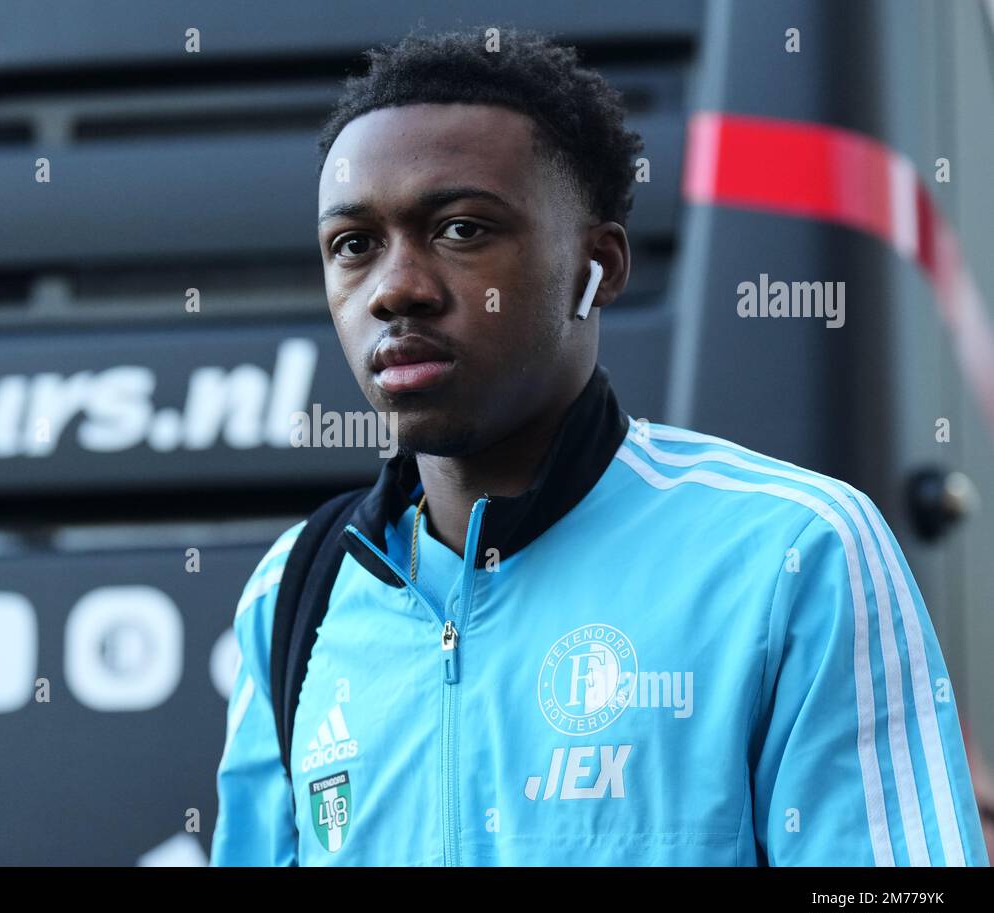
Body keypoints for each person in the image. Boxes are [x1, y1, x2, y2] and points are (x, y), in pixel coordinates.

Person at [210, 27, 989, 866]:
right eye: (354, 245)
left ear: (600, 265)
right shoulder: (296, 594)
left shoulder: (796, 551)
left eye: (464, 229)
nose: (398, 287)